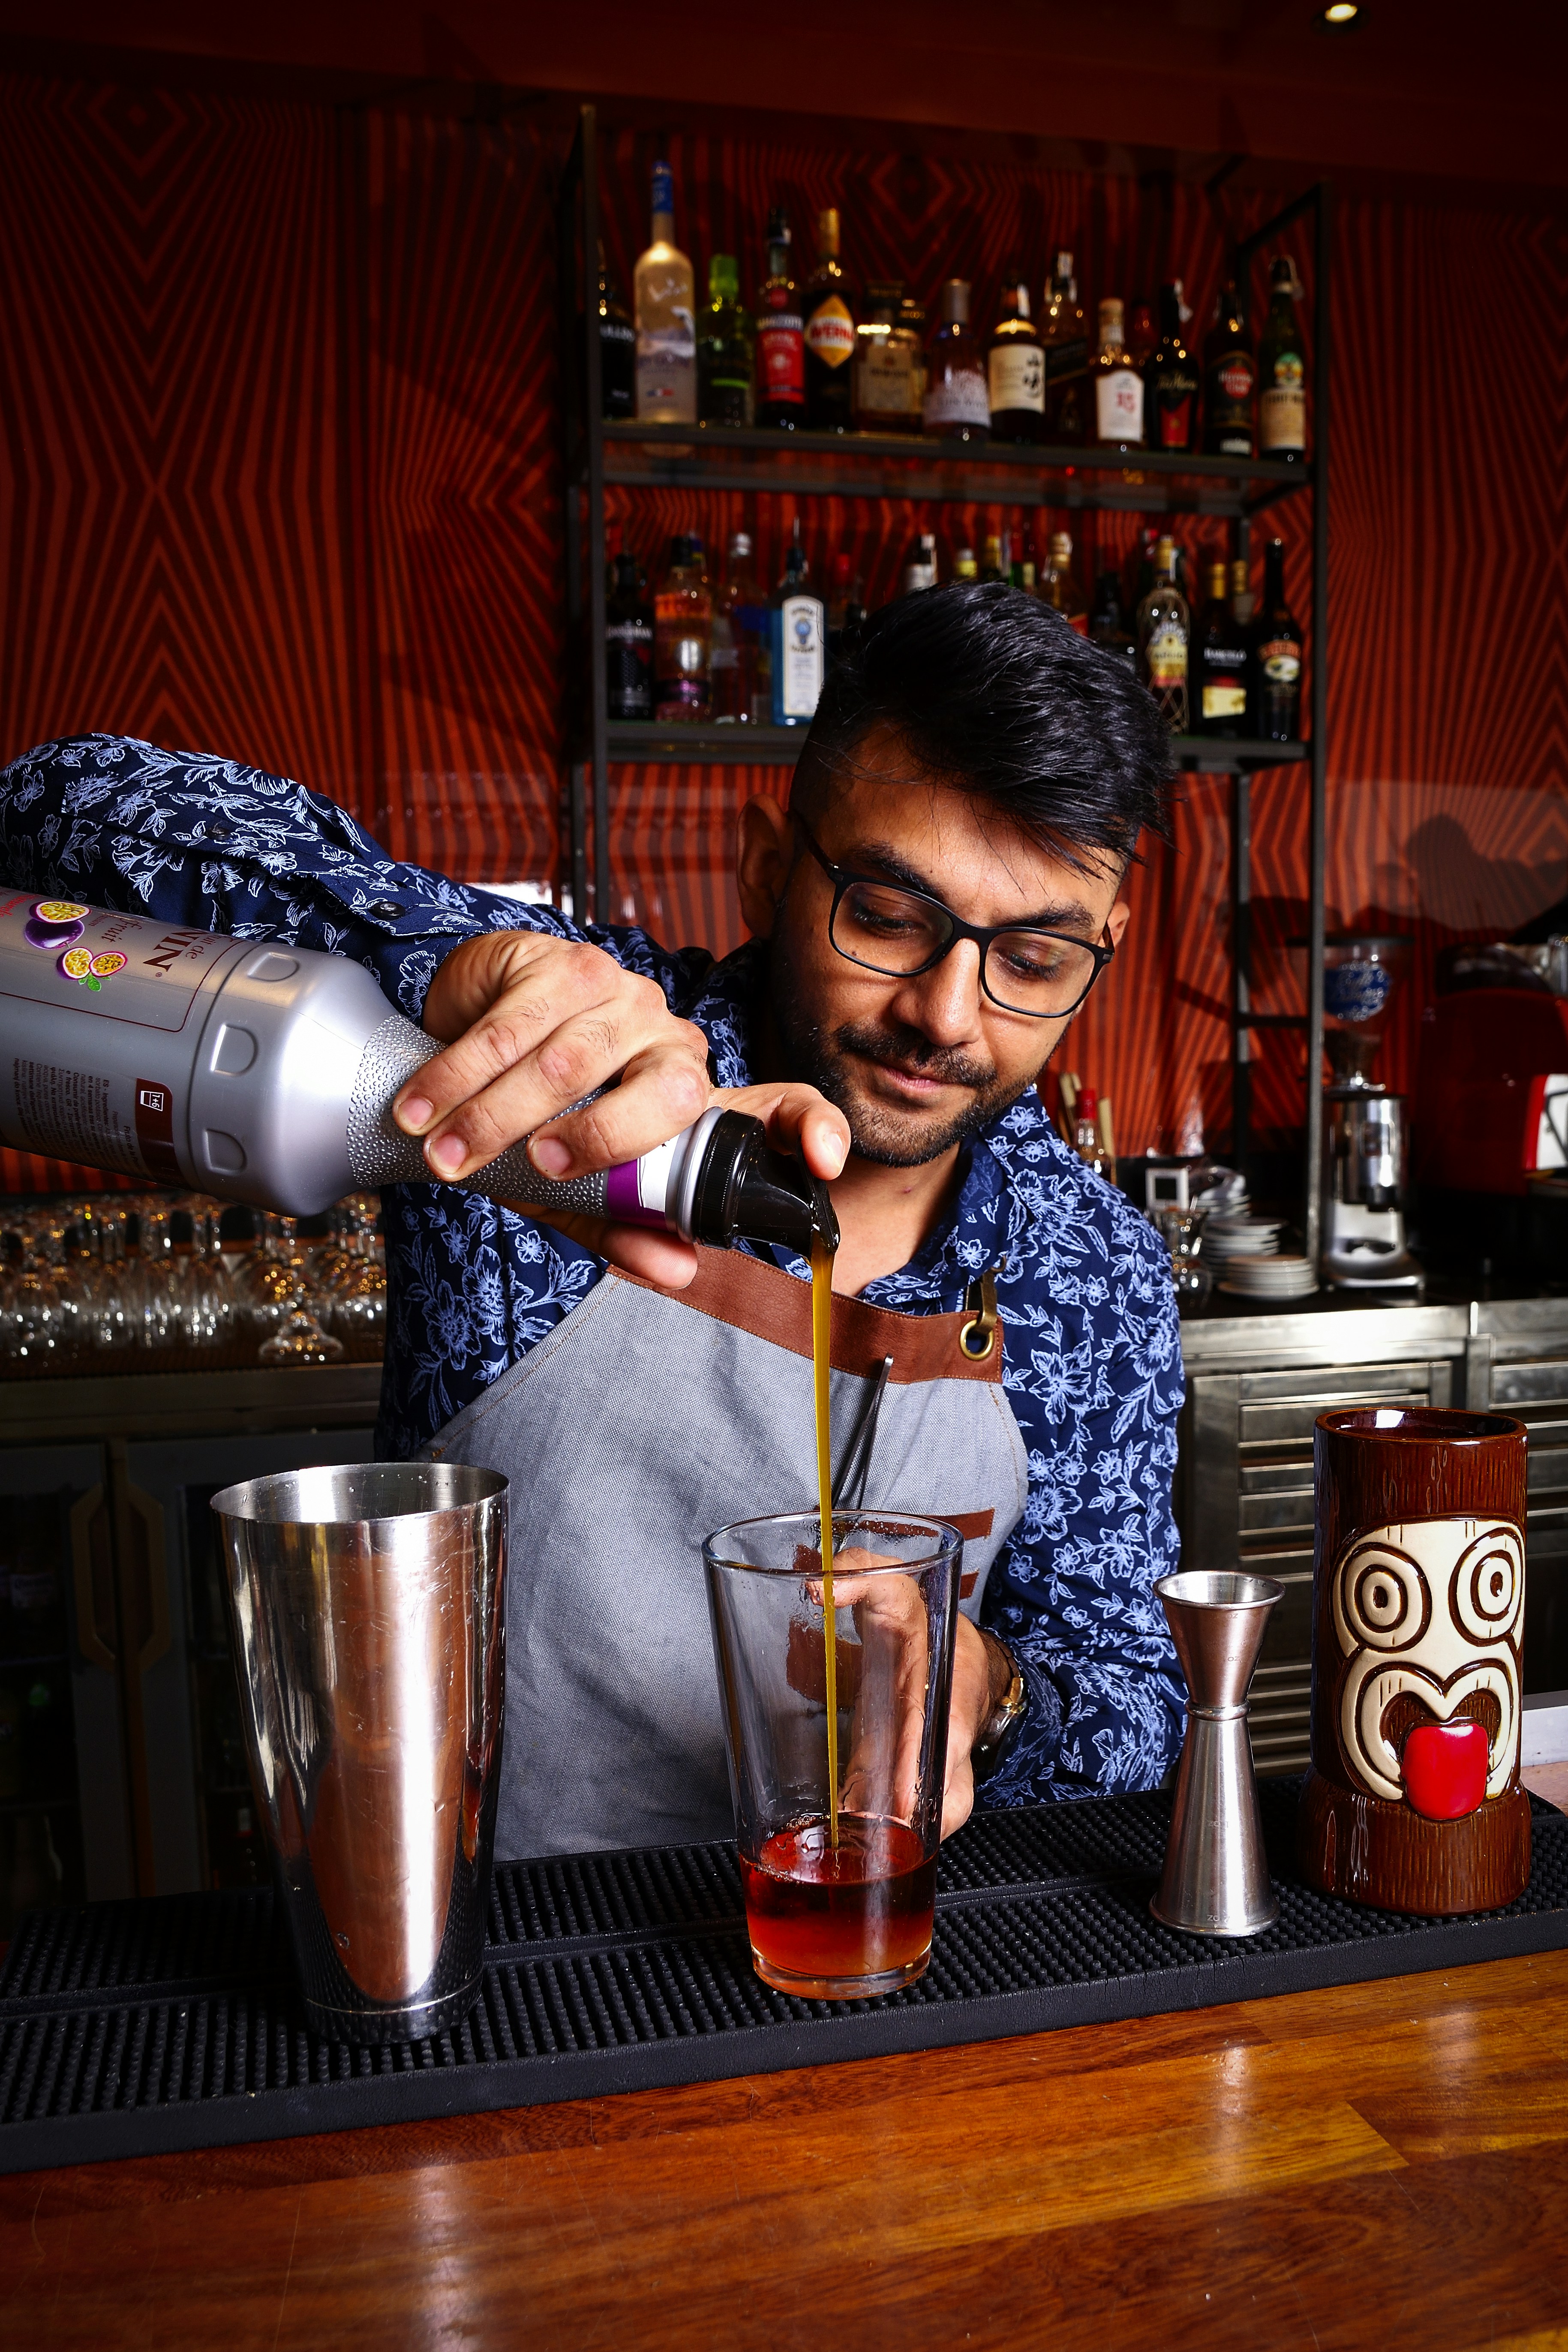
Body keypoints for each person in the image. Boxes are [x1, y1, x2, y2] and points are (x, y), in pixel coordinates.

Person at [0, 582, 1186, 1858]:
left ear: (1103, 945)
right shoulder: (572, 1063)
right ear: (762, 867)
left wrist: (992, 1695)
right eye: (889, 918)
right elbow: (48, 812)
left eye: (1034, 962)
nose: (948, 1015)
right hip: (487, 1963)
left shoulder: (1092, 1267)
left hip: (871, 1963)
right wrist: (427, 953)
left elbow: (1129, 1696)